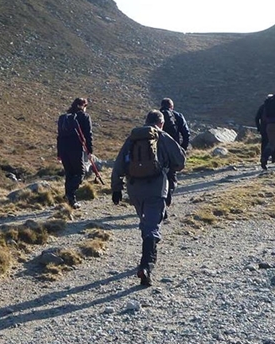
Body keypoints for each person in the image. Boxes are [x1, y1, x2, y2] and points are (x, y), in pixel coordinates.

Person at [111, 110, 186, 286]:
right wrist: (168, 168)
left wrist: (116, 189)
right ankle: (146, 267)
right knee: (152, 227)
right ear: (161, 123)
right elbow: (180, 161)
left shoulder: (132, 138)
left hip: (134, 188)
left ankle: (147, 252)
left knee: (145, 223)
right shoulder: (163, 136)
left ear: (146, 121)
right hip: (156, 187)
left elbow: (118, 165)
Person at [56, 98, 93, 208]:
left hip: (64, 149)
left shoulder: (63, 118)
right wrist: (89, 151)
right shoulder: (84, 117)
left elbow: (59, 136)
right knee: (80, 173)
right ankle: (70, 195)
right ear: (83, 106)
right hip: (76, 148)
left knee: (70, 173)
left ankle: (69, 198)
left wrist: (59, 153)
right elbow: (88, 135)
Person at [159, 98, 190, 207]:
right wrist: (182, 149)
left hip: (158, 151)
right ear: (171, 106)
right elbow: (186, 134)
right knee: (171, 174)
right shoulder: (178, 116)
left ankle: (159, 197)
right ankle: (168, 195)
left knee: (158, 174)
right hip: (172, 150)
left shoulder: (156, 116)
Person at [255, 95, 275, 169]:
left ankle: (263, 158)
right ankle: (274, 158)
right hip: (273, 127)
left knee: (264, 143)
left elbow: (257, 118)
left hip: (264, 128)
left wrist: (259, 127)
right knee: (274, 142)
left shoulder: (262, 107)